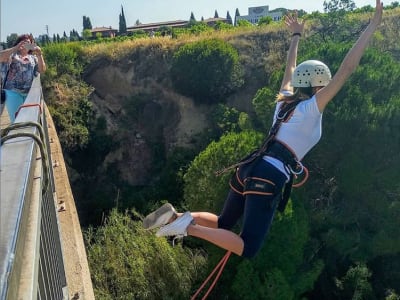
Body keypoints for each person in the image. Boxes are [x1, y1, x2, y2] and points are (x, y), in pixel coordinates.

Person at [143, 0, 383, 258]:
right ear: (319, 86)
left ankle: (177, 216)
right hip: (270, 174)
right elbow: (347, 69)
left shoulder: (283, 103)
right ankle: (187, 227)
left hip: (250, 166)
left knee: (224, 223)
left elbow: (290, 69)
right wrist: (372, 25)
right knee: (247, 247)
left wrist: (296, 36)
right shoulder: (313, 108)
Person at [0, 34, 46, 122]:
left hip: (30, 93)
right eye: (23, 42)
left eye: (29, 43)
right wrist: (16, 48)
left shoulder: (33, 58)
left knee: (30, 119)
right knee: (17, 120)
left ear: (32, 46)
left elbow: (42, 69)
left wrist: (40, 54)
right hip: (13, 92)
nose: (26, 44)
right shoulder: (12, 55)